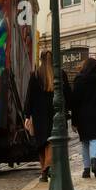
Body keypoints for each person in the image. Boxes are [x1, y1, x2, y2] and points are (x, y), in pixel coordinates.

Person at [24, 49, 72, 182]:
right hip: (54, 112)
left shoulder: (35, 75)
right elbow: (67, 93)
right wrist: (69, 108)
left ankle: (44, 170)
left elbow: (30, 96)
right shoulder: (60, 73)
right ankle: (48, 166)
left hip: (38, 114)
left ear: (40, 59)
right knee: (51, 140)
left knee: (41, 142)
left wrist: (27, 115)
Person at [71, 56, 96, 178]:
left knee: (85, 142)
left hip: (82, 116)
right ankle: (94, 160)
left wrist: (74, 120)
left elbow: (74, 102)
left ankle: (86, 169)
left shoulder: (78, 80)